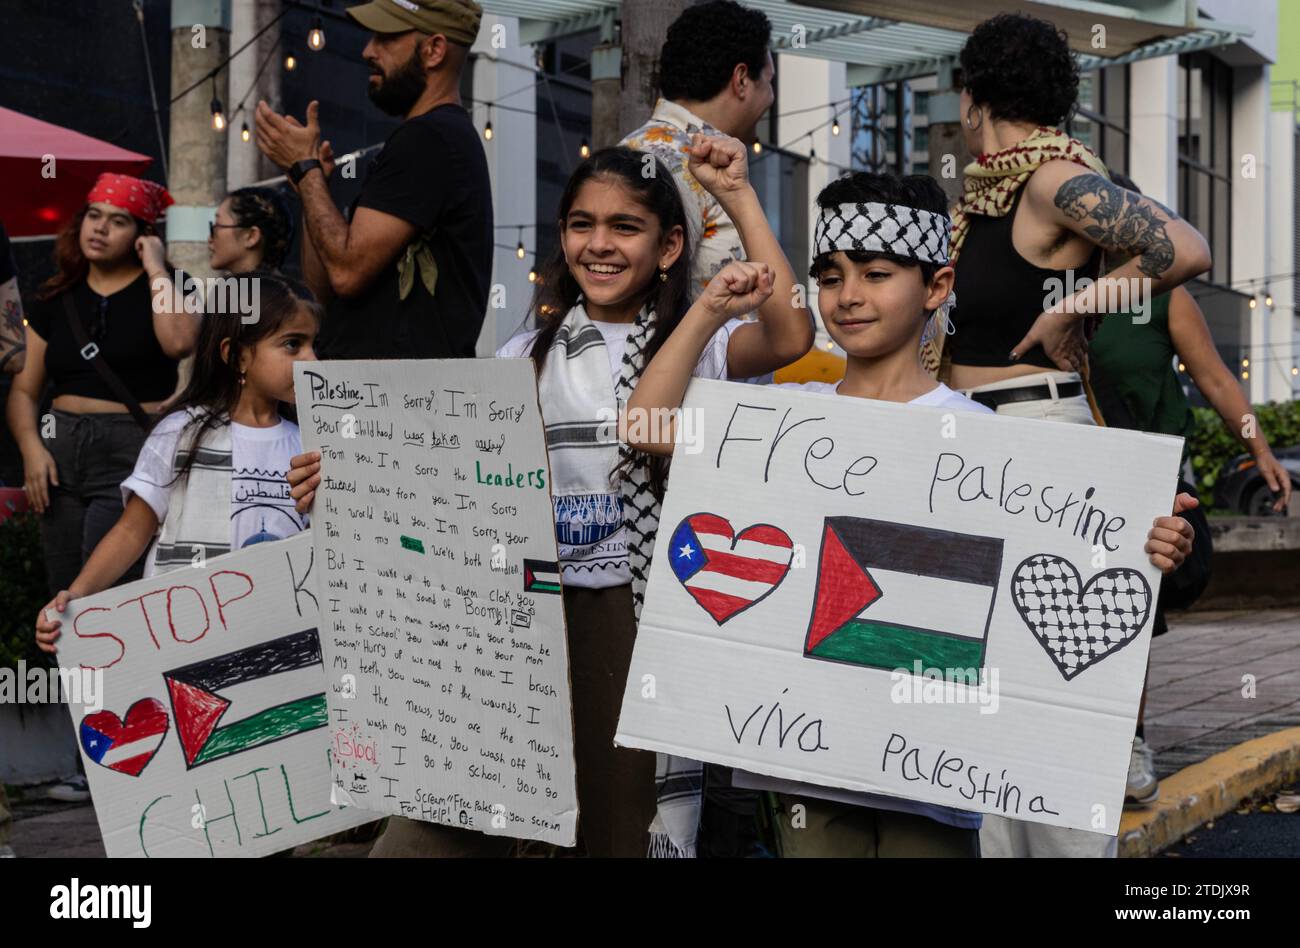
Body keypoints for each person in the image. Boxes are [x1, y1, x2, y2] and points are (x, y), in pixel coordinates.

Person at [623, 168, 1199, 858]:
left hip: (936, 777)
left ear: (936, 285)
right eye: (831, 276)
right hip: (811, 761)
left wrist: (1154, 539)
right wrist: (710, 307)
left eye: (875, 273)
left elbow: (1077, 557)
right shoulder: (788, 423)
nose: (850, 296)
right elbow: (645, 423)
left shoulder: (988, 443)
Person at [288, 141, 812, 857]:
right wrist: (347, 483)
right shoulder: (524, 354)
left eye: (625, 227)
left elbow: (790, 333)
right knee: (467, 814)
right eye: (580, 224)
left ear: (670, 247)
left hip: (638, 617)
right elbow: (454, 484)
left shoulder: (708, 343)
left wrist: (740, 195)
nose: (598, 244)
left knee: (618, 820)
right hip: (523, 615)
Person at [1089, 172, 1292, 805]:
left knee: (1132, 607)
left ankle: (1130, 741)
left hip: (1145, 477)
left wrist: (1260, 450)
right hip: (1068, 472)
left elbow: (1217, 380)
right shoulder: (1057, 291)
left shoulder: (1162, 294)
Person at [7, 172, 196, 800]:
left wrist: (159, 266)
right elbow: (25, 388)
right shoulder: (54, 295)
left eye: (118, 219)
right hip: (59, 453)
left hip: (129, 450)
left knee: (101, 598)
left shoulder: (167, 288)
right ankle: (85, 760)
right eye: (92, 214)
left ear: (142, 233)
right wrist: (32, 448)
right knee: (62, 607)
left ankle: (118, 761)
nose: (99, 227)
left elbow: (179, 341)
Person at [924, 13, 1211, 423]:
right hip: (971, 418)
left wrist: (1066, 311)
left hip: (1033, 417)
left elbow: (1187, 248)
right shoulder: (980, 203)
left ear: (972, 102)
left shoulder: (1051, 178)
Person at [34, 274, 319, 654]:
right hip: (188, 638)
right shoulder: (180, 433)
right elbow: (132, 531)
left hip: (279, 641)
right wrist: (79, 593)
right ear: (237, 354)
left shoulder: (312, 445)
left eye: (314, 344)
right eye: (292, 345)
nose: (311, 360)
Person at [254, 0, 492, 360]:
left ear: (434, 50)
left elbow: (347, 272)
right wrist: (310, 184)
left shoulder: (430, 139)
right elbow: (324, 290)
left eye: (387, 37)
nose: (368, 50)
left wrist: (306, 168)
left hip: (395, 404)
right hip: (375, 400)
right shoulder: (432, 138)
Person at [621, 0, 775, 299]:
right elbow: (636, 295)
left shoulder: (642, 150)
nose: (771, 97)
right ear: (741, 79)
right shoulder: (680, 162)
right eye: (769, 82)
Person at [209, 186, 294, 274]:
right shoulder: (285, 286)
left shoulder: (249, 287)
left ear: (251, 236)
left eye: (217, 227)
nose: (209, 239)